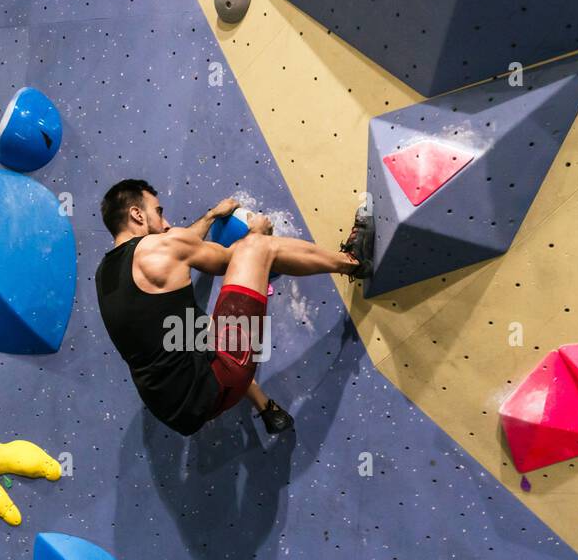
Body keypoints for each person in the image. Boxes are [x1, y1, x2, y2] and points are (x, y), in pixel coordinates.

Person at [94, 179, 372, 436]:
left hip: (175, 411)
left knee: (183, 325)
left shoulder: (104, 274)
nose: (165, 223)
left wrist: (212, 216)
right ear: (137, 215)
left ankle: (265, 407)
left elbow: (178, 248)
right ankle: (353, 260)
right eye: (158, 211)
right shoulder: (160, 248)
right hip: (215, 384)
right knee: (257, 249)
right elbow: (230, 258)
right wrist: (257, 232)